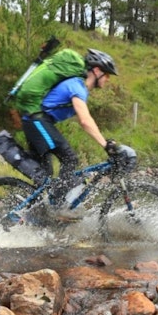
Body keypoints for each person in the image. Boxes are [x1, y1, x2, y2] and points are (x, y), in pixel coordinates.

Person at [20, 48, 119, 218]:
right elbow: (85, 121)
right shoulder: (77, 86)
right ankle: (58, 208)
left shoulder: (78, 86)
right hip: (36, 120)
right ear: (96, 71)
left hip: (36, 121)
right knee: (70, 158)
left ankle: (33, 216)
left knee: (45, 178)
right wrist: (105, 144)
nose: (108, 79)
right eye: (107, 74)